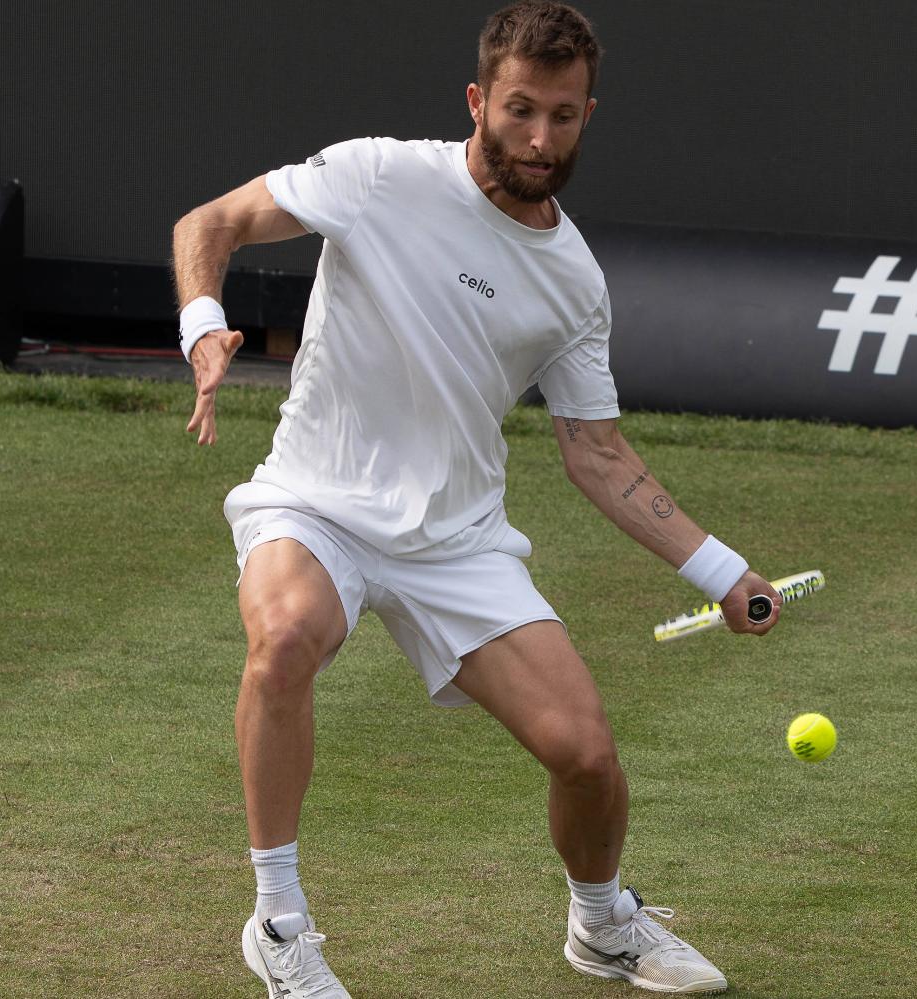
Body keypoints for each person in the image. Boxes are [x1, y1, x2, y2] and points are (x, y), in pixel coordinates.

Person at [172, 3, 780, 994]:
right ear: (477, 101)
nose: (540, 140)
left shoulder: (574, 280)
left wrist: (722, 571)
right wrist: (204, 324)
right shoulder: (377, 175)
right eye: (519, 111)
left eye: (563, 117)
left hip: (457, 540)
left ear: (588, 116)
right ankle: (279, 923)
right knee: (283, 638)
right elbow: (212, 223)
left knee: (586, 756)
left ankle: (602, 924)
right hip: (316, 503)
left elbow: (597, 454)